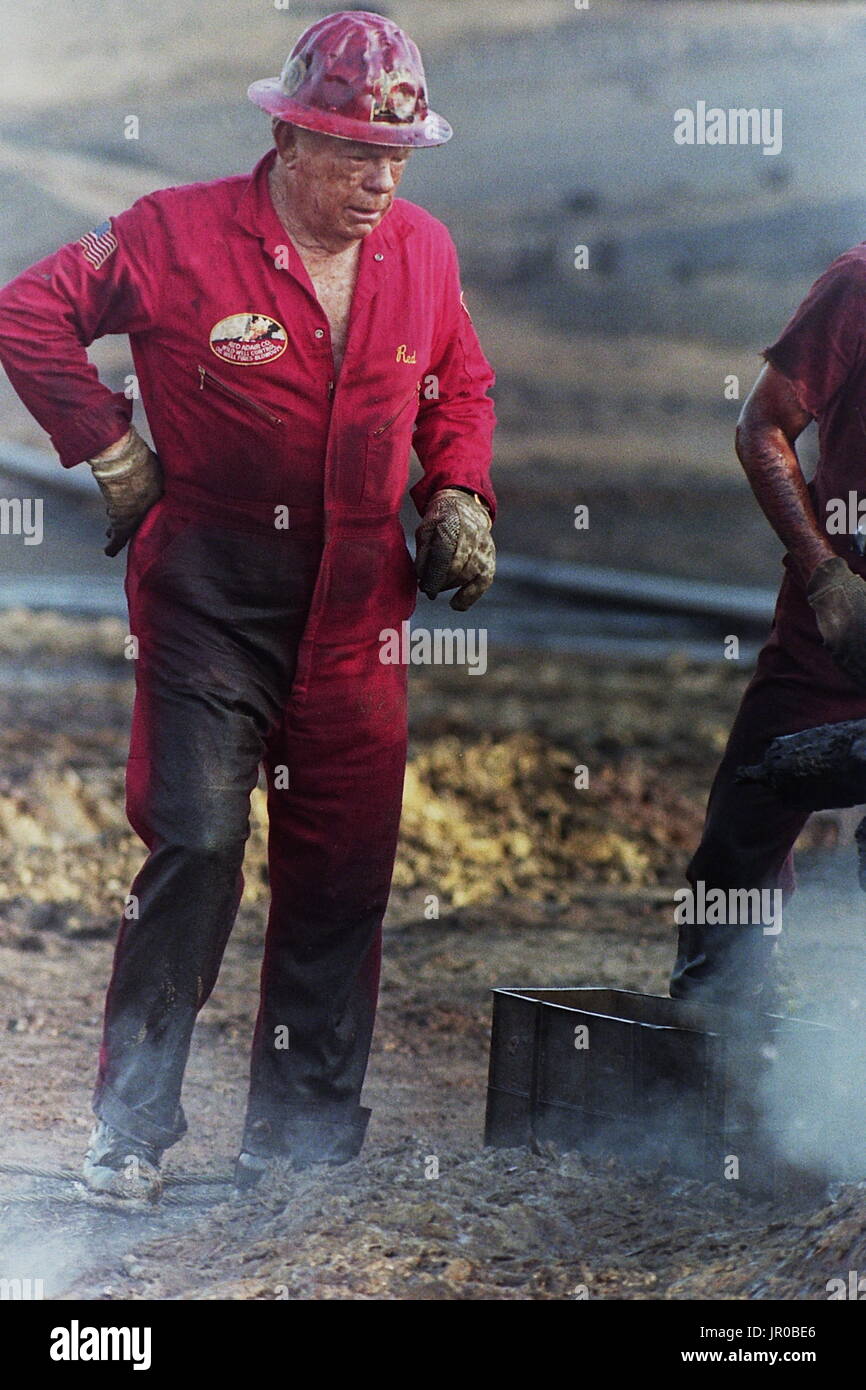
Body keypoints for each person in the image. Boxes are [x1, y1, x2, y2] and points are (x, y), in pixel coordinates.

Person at [0, 10, 496, 1200]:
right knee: (198, 847)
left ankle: (301, 1147)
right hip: (208, 606)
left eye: (396, 158)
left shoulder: (421, 250)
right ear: (286, 140)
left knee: (342, 880)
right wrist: (108, 447)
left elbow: (457, 384)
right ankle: (126, 1133)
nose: (379, 181)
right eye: (353, 155)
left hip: (355, 618)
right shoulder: (175, 236)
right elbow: (27, 311)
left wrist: (458, 489)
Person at [672, 244, 866, 1005]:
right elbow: (763, 428)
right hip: (847, 615)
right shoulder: (858, 285)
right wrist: (825, 577)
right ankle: (713, 1050)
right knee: (744, 832)